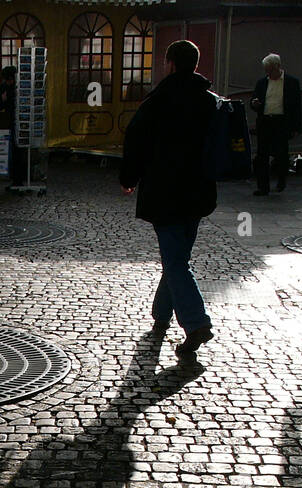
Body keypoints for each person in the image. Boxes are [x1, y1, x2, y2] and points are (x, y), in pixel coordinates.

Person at [119, 39, 216, 361]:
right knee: (178, 257)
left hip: (166, 192)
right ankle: (161, 314)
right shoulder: (208, 100)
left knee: (175, 262)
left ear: (171, 63)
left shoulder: (159, 100)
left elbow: (135, 141)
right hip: (199, 191)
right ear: (195, 65)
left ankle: (196, 323)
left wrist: (128, 179)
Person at [250, 53, 302, 195]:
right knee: (262, 156)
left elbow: (297, 106)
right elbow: (253, 100)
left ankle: (281, 181)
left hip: (281, 122)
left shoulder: (291, 83)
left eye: (270, 70)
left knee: (281, 154)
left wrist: (296, 126)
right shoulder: (262, 83)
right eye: (266, 70)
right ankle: (263, 187)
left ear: (278, 67)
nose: (268, 73)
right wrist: (255, 104)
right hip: (265, 121)